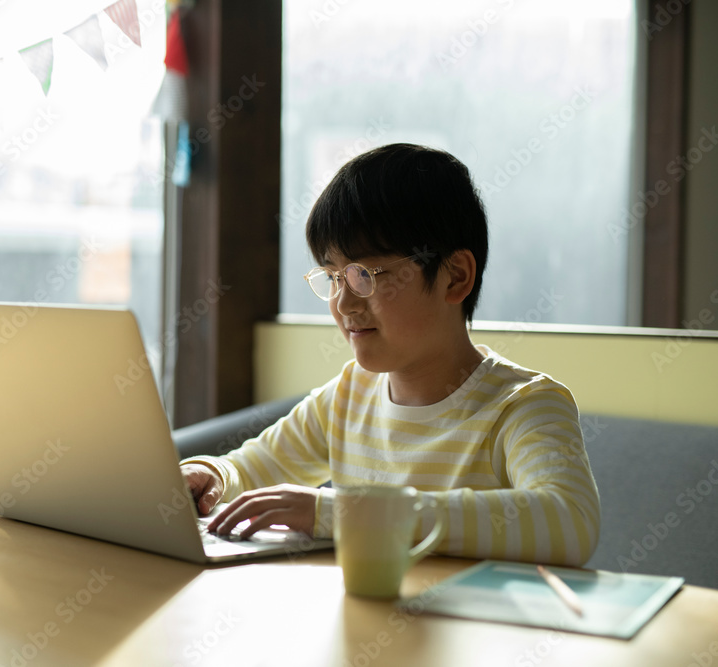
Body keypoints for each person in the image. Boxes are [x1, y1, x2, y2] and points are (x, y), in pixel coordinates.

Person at [180, 143, 600, 566]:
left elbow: (570, 522)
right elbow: (253, 468)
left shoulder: (524, 406)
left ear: (455, 277)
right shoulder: (348, 396)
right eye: (333, 277)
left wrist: (344, 512)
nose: (343, 304)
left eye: (364, 275)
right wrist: (212, 476)